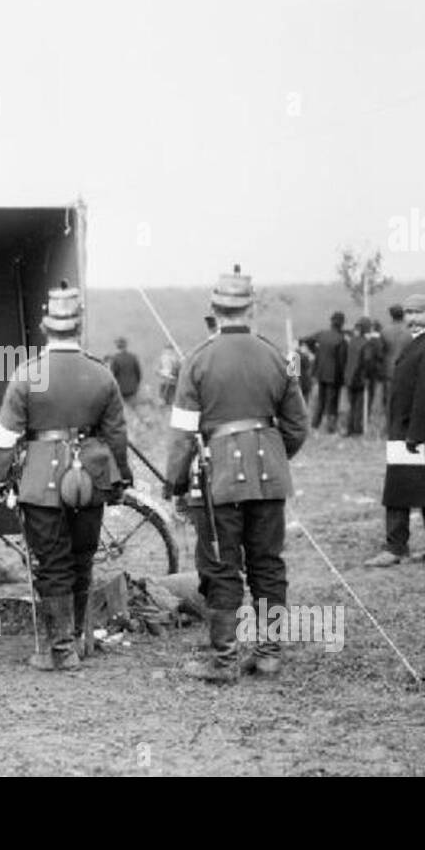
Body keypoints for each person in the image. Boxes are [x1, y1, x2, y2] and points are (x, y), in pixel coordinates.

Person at [164, 266, 308, 682]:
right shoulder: (276, 356)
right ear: (250, 308)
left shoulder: (198, 361)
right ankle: (268, 655)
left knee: (221, 566)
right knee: (267, 564)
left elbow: (182, 434)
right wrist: (274, 459)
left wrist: (174, 483)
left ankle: (224, 661)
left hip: (217, 481)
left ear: (214, 309)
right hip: (268, 479)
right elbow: (297, 426)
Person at [0, 281, 131, 671]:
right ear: (79, 327)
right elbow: (117, 436)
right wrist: (120, 480)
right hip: (91, 479)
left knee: (52, 563)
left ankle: (61, 649)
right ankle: (80, 643)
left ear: (44, 326)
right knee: (82, 559)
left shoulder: (28, 375)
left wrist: (0, 478)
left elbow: (5, 438)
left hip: (40, 481)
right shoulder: (102, 375)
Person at [364, 294, 425, 567]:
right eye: (408, 313)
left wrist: (414, 435)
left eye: (418, 313)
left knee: (403, 491)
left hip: (417, 433)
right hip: (421, 430)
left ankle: (397, 548)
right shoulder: (424, 344)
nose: (412, 319)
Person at [308, 311, 347, 434]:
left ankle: (315, 424)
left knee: (321, 400)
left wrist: (316, 352)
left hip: (320, 372)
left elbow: (307, 340)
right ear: (341, 324)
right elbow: (342, 361)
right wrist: (343, 378)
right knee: (332, 402)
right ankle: (330, 427)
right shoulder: (341, 340)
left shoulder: (321, 334)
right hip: (334, 375)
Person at [343, 316, 373, 436]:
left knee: (351, 405)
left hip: (349, 377)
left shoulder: (352, 341)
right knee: (359, 405)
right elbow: (367, 361)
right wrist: (368, 377)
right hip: (360, 378)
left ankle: (349, 429)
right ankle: (357, 430)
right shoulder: (366, 344)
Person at [108, 336, 142, 403]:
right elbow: (138, 373)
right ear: (126, 346)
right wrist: (136, 385)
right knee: (133, 410)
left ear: (117, 346)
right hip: (133, 389)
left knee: (123, 410)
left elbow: (112, 375)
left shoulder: (115, 359)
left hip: (120, 390)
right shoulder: (133, 357)